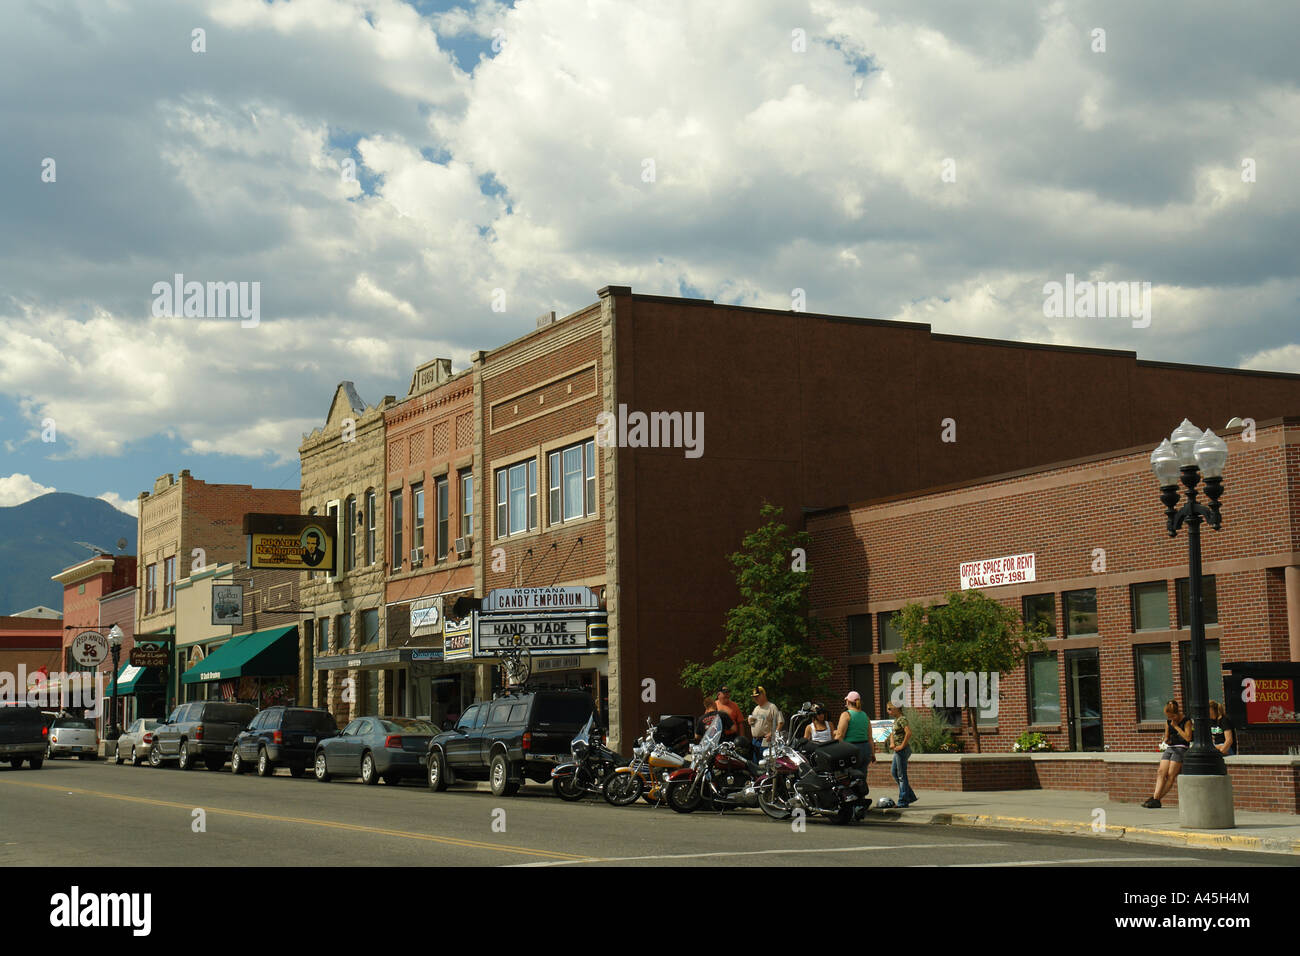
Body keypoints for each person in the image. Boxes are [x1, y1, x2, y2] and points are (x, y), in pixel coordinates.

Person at [1143, 699, 1193, 808]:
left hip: (1181, 748)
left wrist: (1176, 727)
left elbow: (1188, 738)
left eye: (1172, 717)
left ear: (1176, 713)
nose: (1170, 719)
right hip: (1170, 747)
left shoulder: (1186, 721)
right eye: (1168, 717)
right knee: (1161, 772)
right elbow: (1166, 736)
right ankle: (1156, 798)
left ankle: (1156, 799)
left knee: (1171, 775)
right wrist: (1167, 740)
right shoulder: (1168, 722)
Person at [886, 701, 918, 807]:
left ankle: (903, 801)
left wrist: (902, 746)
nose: (888, 711)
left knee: (901, 775)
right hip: (897, 750)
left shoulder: (902, 719)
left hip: (902, 751)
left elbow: (908, 733)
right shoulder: (896, 720)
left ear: (897, 708)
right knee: (894, 772)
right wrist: (892, 743)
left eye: (890, 709)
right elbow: (892, 734)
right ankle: (910, 796)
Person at [834, 690, 876, 769]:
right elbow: (870, 737)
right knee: (862, 777)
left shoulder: (846, 715)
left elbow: (840, 736)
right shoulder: (865, 715)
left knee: (851, 777)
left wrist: (833, 750)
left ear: (848, 702)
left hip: (852, 749)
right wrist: (872, 753)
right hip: (865, 749)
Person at [748, 687, 784, 762]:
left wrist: (773, 734)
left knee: (765, 764)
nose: (755, 699)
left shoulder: (771, 707)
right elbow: (754, 722)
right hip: (755, 741)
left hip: (766, 741)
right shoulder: (756, 708)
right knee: (756, 765)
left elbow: (780, 722)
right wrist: (751, 721)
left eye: (757, 696)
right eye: (754, 697)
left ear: (763, 695)